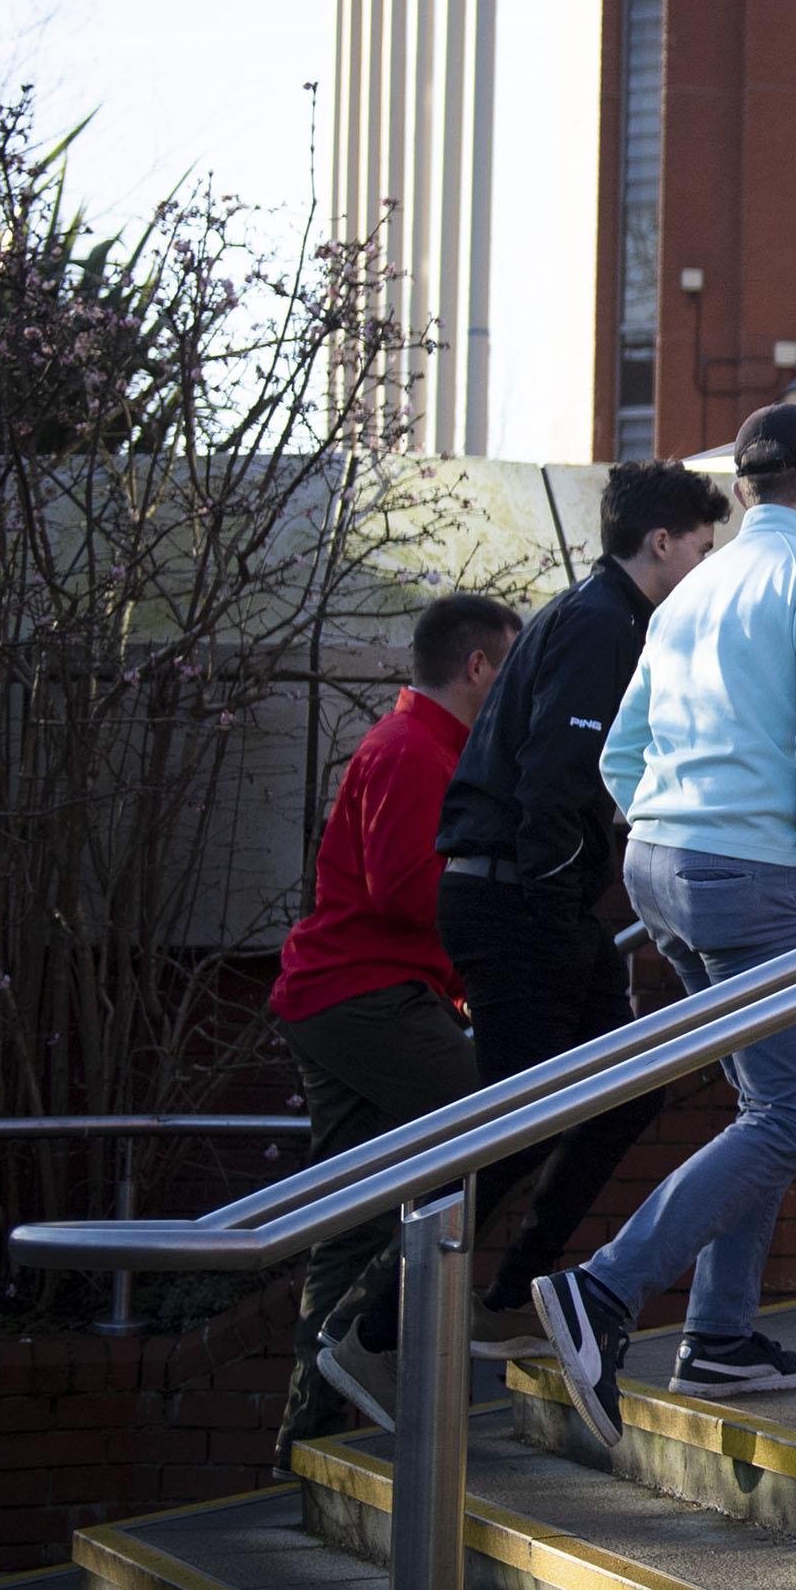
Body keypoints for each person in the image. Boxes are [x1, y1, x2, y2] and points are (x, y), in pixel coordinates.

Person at [531, 403, 796, 1450]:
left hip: (660, 871)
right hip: (757, 873)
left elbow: (621, 749)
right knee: (793, 1118)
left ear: (740, 490)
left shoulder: (698, 581)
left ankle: (720, 1334)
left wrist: (668, 824)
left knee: (757, 1103)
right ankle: (603, 1290)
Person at [432, 459, 729, 1358]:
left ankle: (511, 1289)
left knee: (624, 1089)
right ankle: (379, 1317)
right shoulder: (604, 626)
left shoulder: (606, 616)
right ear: (663, 542)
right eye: (703, 549)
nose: (708, 566)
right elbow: (558, 782)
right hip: (517, 898)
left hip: (530, 896)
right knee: (530, 1114)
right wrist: (561, 896)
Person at [271, 591, 521, 1456]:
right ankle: (360, 1340)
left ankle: (302, 1436)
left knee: (353, 1220)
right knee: (492, 1135)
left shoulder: (412, 742)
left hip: (336, 997)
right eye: (510, 665)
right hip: (366, 997)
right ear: (477, 667)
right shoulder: (417, 750)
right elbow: (409, 891)